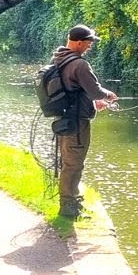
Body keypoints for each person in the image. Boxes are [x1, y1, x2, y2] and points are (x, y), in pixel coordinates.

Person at [49, 24, 117, 219]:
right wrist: (109, 95)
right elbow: (95, 91)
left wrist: (95, 104)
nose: (90, 46)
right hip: (76, 124)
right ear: (78, 42)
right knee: (74, 164)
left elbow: (73, 91)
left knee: (68, 162)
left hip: (63, 120)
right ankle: (69, 209)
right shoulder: (79, 64)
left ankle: (72, 202)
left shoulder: (58, 59)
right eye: (89, 42)